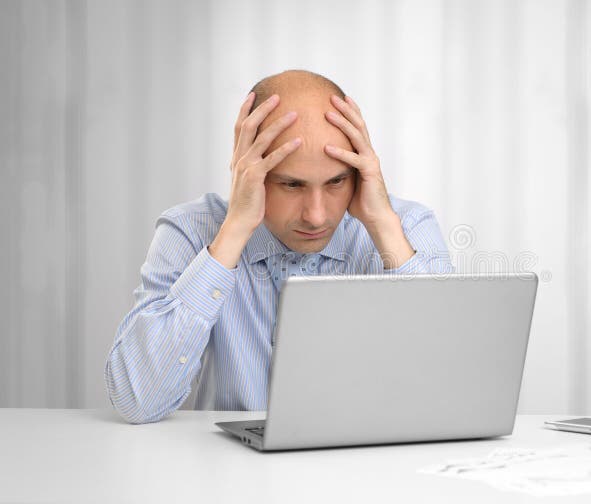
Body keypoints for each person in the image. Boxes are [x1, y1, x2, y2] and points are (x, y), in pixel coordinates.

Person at [104, 69, 454, 424]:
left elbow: (453, 386)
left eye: (336, 181)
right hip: (227, 460)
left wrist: (383, 226)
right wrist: (234, 231)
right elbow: (138, 402)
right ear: (248, 170)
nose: (316, 216)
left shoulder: (407, 227)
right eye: (291, 185)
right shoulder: (191, 231)